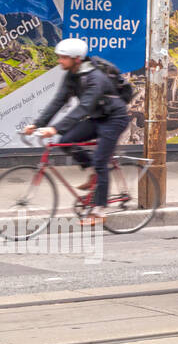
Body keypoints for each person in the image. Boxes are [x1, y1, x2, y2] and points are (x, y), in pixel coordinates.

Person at [23, 38, 129, 226]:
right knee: (66, 140)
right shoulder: (71, 75)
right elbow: (58, 101)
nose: (59, 61)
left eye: (64, 58)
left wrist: (55, 128)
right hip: (98, 118)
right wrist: (37, 124)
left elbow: (84, 108)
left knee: (100, 161)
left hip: (114, 119)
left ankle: (99, 210)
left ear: (77, 59)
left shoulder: (96, 78)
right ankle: (92, 171)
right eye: (59, 57)